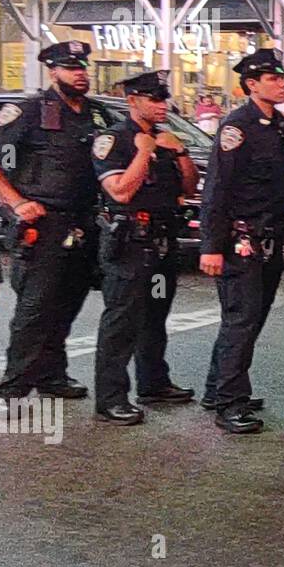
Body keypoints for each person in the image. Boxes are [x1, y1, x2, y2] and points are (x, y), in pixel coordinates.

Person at [0, 40, 112, 401]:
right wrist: (17, 203)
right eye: (72, 68)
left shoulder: (96, 115)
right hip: (45, 224)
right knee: (35, 308)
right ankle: (15, 386)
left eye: (83, 67)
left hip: (85, 222)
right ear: (53, 71)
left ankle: (52, 376)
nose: (81, 74)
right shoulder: (30, 112)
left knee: (68, 303)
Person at [199, 49, 284, 434]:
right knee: (240, 322)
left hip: (271, 237)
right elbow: (217, 188)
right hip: (241, 240)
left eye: (281, 77)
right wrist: (211, 245)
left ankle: (218, 387)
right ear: (251, 84)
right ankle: (229, 402)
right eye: (272, 78)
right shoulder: (237, 127)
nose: (281, 83)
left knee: (250, 319)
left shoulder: (278, 125)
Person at [91, 71, 200, 424]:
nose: (161, 105)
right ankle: (110, 398)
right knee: (121, 321)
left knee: (155, 318)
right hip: (130, 243)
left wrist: (180, 151)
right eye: (153, 99)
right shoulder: (114, 140)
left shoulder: (165, 138)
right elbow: (120, 191)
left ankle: (153, 383)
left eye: (163, 98)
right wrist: (143, 153)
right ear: (132, 101)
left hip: (163, 242)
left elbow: (189, 185)